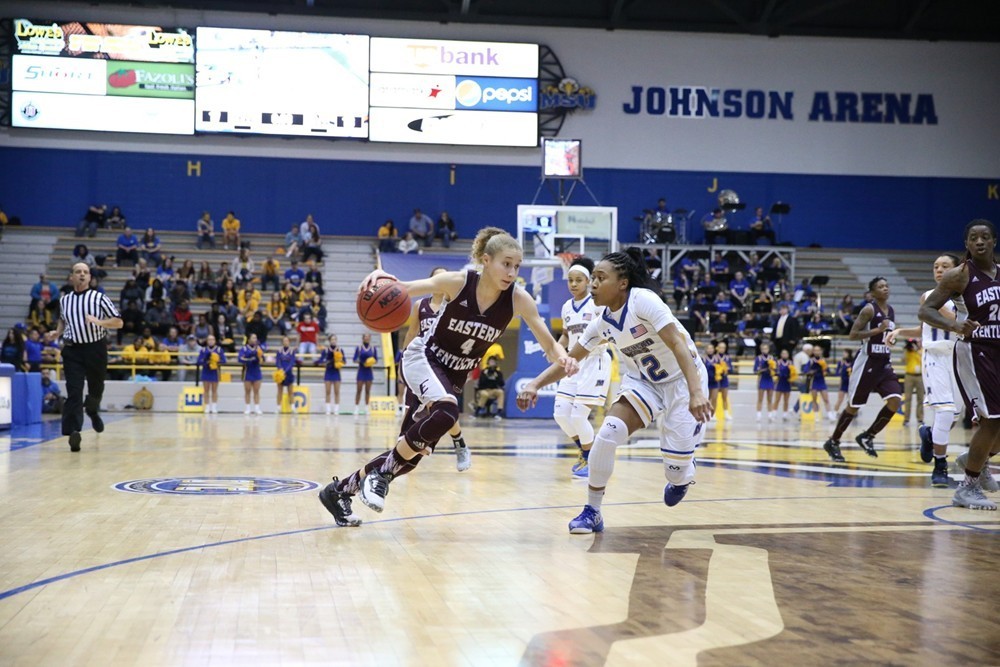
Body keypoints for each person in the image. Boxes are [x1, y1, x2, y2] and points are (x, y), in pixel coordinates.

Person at [318, 227, 575, 527]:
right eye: (506, 263)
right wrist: (376, 276)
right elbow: (403, 288)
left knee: (412, 454)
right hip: (423, 359)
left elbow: (548, 342)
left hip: (453, 376)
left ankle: (338, 491)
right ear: (485, 260)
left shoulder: (519, 300)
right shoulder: (457, 282)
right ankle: (380, 476)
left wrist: (563, 357)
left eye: (517, 266)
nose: (512, 271)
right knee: (448, 410)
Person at [518, 248, 711, 534]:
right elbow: (570, 360)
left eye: (600, 278)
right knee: (606, 434)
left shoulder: (643, 301)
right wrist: (534, 384)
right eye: (592, 278)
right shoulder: (602, 323)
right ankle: (592, 511)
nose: (593, 284)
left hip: (683, 380)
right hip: (643, 383)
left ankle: (682, 474)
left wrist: (696, 392)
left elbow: (678, 344)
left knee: (676, 472)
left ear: (622, 283)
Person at [919, 220, 998, 509]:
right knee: (992, 421)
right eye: (974, 238)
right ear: (966, 244)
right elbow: (925, 310)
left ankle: (976, 459)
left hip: (998, 351)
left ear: (994, 241)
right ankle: (967, 486)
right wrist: (956, 325)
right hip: (976, 353)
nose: (980, 242)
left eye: (985, 237)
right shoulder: (959, 275)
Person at [891, 253, 965, 486]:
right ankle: (940, 466)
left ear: (957, 271)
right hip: (935, 356)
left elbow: (936, 326)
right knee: (944, 412)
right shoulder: (930, 296)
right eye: (936, 266)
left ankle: (930, 434)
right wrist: (900, 331)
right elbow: (943, 323)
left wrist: (901, 330)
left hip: (959, 357)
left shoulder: (967, 298)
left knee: (954, 415)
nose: (939, 270)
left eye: (945, 266)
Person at [822, 276, 903, 462]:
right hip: (867, 363)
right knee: (854, 406)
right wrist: (877, 331)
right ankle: (833, 441)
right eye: (880, 287)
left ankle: (868, 436)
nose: (885, 288)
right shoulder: (868, 309)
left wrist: (891, 337)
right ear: (872, 292)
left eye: (886, 285)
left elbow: (889, 334)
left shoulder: (891, 310)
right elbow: (853, 335)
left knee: (895, 401)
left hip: (884, 363)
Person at [44, 263, 123, 452]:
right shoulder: (65, 300)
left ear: (89, 278)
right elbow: (63, 319)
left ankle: (93, 409)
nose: (82, 275)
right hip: (72, 350)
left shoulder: (99, 298)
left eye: (85, 272)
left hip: (95, 348)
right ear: (71, 277)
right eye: (78, 272)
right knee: (74, 391)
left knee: (97, 387)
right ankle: (73, 432)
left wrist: (99, 321)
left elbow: (118, 322)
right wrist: (57, 332)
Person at [400, 267, 472, 472]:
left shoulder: (456, 304)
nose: (442, 279)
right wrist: (403, 361)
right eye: (437, 277)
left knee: (444, 408)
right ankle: (404, 451)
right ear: (431, 281)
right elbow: (412, 333)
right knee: (415, 409)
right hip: (423, 361)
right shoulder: (420, 305)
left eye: (445, 276)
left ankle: (459, 444)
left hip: (449, 364)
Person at [552, 257, 612, 478]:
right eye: (570, 280)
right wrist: (556, 351)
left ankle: (590, 459)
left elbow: (608, 335)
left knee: (578, 416)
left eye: (579, 280)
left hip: (595, 362)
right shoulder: (567, 306)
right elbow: (567, 335)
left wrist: (587, 346)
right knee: (560, 414)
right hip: (573, 363)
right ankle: (586, 452)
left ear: (588, 281)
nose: (574, 284)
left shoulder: (597, 304)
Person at [804, 346, 835, 421]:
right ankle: (816, 415)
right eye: (815, 350)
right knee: (814, 399)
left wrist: (825, 371)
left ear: (821, 352)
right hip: (814, 381)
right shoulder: (811, 361)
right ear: (813, 352)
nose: (817, 352)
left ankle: (829, 414)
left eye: (818, 350)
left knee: (826, 399)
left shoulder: (823, 360)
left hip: (821, 381)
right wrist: (810, 372)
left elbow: (828, 371)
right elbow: (805, 370)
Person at [317, 334, 345, 415]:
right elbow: (320, 362)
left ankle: (336, 409)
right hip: (328, 372)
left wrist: (339, 362)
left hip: (336, 372)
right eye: (332, 339)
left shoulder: (340, 350)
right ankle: (328, 409)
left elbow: (344, 361)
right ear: (329, 341)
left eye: (335, 339)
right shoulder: (325, 350)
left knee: (337, 391)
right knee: (328, 391)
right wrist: (325, 362)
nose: (334, 341)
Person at [198, 334, 226, 414]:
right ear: (207, 341)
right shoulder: (203, 350)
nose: (211, 341)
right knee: (206, 390)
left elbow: (224, 360)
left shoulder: (219, 350)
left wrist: (216, 361)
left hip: (215, 372)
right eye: (209, 339)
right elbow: (199, 361)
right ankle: (207, 406)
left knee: (214, 390)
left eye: (212, 339)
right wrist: (206, 361)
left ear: (215, 341)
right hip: (206, 371)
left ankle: (214, 406)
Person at [238, 332, 264, 415]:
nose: (254, 339)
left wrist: (259, 357)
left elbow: (263, 359)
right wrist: (249, 359)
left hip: (256, 371)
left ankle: (257, 408)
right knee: (247, 390)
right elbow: (240, 359)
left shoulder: (259, 348)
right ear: (248, 340)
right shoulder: (244, 349)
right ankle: (247, 408)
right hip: (247, 371)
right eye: (253, 338)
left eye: (255, 338)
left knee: (256, 391)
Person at [353, 333, 377, 415]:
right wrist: (362, 362)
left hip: (369, 371)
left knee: (368, 391)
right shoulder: (359, 348)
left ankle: (367, 408)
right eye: (365, 337)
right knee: (359, 390)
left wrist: (370, 362)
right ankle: (356, 408)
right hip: (361, 370)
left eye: (368, 337)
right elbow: (354, 359)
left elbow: (376, 359)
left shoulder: (373, 348)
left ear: (370, 338)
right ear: (363, 338)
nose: (367, 338)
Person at [274, 336, 297, 413]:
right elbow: (277, 361)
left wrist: (285, 371)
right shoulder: (279, 351)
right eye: (284, 341)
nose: (285, 342)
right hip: (280, 374)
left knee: (290, 392)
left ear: (289, 342)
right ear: (282, 342)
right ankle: (278, 408)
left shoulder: (292, 351)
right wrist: (280, 369)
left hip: (289, 373)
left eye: (287, 341)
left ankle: (293, 408)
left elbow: (292, 363)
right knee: (279, 391)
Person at [754, 341, 776, 422]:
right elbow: (755, 370)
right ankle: (758, 415)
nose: (764, 350)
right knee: (760, 398)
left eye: (766, 349)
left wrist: (772, 369)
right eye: (763, 349)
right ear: (761, 350)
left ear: (768, 349)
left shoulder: (772, 358)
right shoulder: (758, 358)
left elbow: (776, 370)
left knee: (770, 399)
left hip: (769, 379)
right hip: (762, 379)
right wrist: (762, 369)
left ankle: (770, 415)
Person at [713, 341, 734, 420]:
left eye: (723, 348)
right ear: (717, 348)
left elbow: (731, 369)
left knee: (724, 397)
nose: (722, 349)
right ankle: (713, 414)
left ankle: (726, 413)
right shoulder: (714, 357)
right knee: (713, 398)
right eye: (720, 347)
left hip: (724, 380)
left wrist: (727, 369)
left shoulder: (727, 358)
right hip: (715, 380)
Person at [772, 348, 795, 420]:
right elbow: (775, 371)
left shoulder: (790, 363)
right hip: (780, 381)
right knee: (777, 399)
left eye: (786, 353)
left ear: (788, 355)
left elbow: (793, 372)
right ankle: (774, 414)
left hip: (787, 382)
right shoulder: (778, 362)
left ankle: (785, 414)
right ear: (781, 355)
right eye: (783, 353)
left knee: (786, 400)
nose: (785, 355)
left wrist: (791, 379)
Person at [833, 350, 854, 414]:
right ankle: (835, 412)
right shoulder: (841, 362)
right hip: (843, 383)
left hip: (850, 383)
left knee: (850, 400)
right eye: (843, 353)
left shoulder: (853, 362)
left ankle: (851, 413)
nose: (844, 354)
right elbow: (837, 373)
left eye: (845, 353)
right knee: (840, 399)